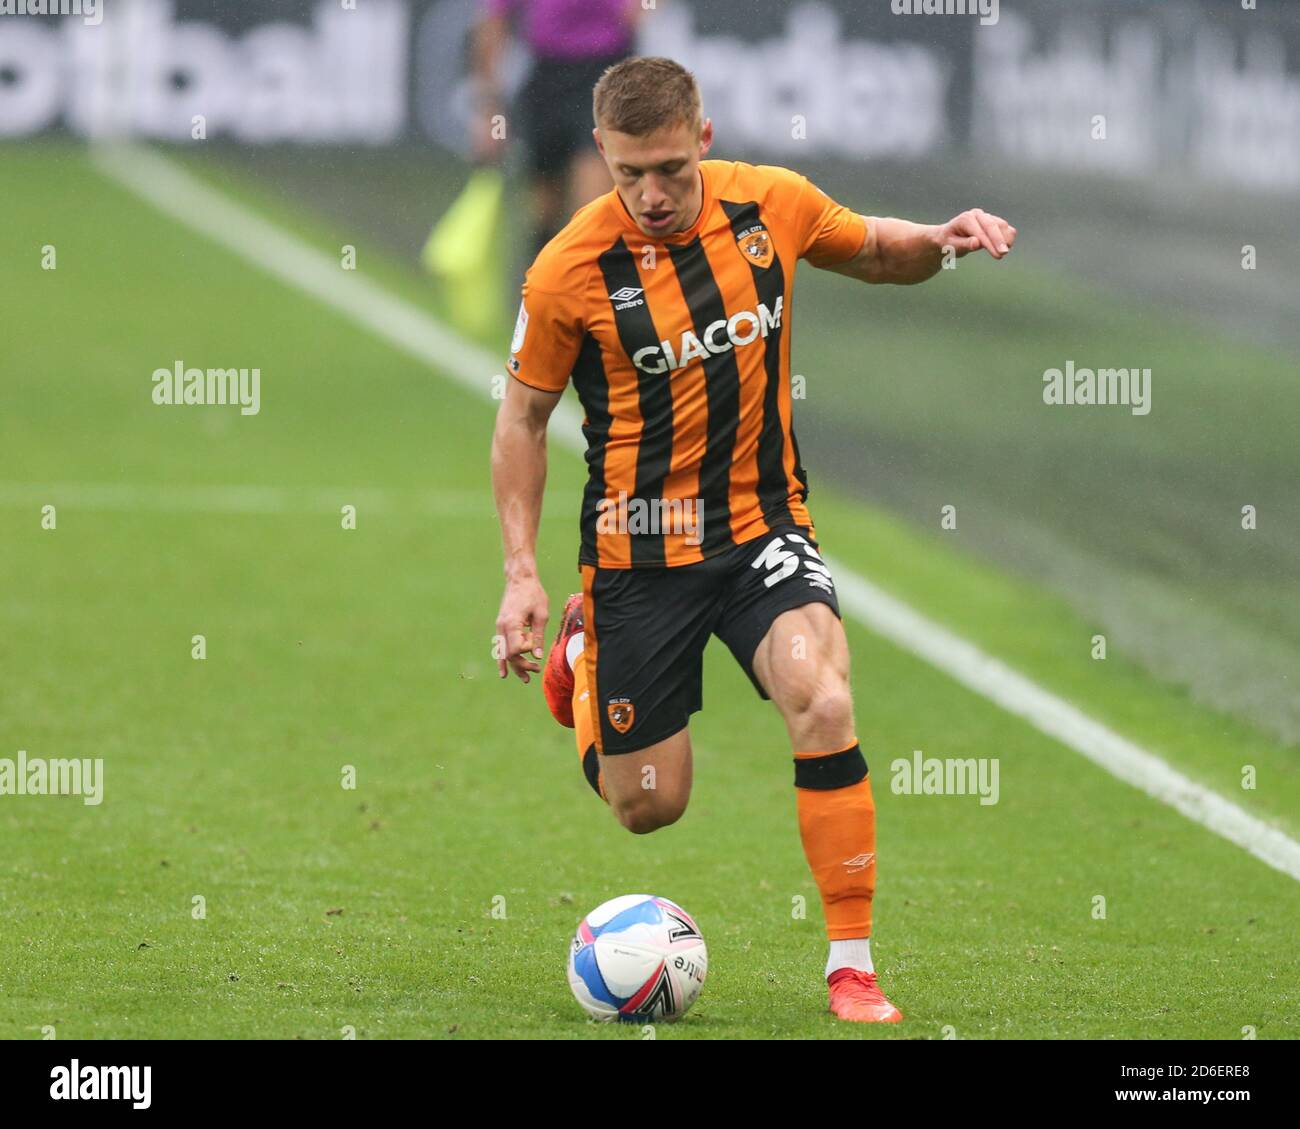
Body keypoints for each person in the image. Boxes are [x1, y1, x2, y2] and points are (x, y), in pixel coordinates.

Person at [490, 57, 1016, 1023]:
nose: (652, 194)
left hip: (761, 528)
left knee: (823, 697)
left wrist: (941, 241)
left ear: (704, 137)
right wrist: (522, 572)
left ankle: (851, 966)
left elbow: (875, 250)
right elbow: (522, 422)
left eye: (670, 169)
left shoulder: (770, 204)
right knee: (649, 804)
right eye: (630, 173)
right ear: (602, 152)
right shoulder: (567, 269)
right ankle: (583, 648)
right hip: (639, 554)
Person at [472, 0, 643, 256]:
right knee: (544, 211)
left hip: (607, 76)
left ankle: (591, 271)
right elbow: (494, 23)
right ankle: (544, 274)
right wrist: (489, 111)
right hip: (547, 80)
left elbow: (643, 9)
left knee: (592, 207)